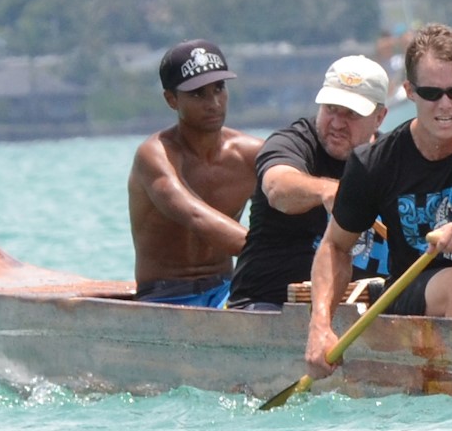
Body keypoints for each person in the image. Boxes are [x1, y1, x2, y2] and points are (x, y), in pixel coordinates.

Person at [303, 24, 452, 369]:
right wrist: (320, 326)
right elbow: (335, 246)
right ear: (410, 91)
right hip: (414, 300)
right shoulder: (374, 163)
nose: (445, 105)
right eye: (431, 93)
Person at [227, 55, 392, 310]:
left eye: (351, 114)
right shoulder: (292, 142)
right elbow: (277, 187)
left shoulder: (393, 158)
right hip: (268, 307)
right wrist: (329, 191)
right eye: (331, 108)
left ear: (379, 117)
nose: (337, 123)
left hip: (366, 314)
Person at [127, 38, 263, 308]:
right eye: (198, 94)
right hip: (165, 295)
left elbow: (293, 196)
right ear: (171, 99)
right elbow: (194, 214)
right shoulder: (155, 155)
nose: (213, 103)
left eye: (219, 88)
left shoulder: (251, 154)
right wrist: (273, 252)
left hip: (228, 289)